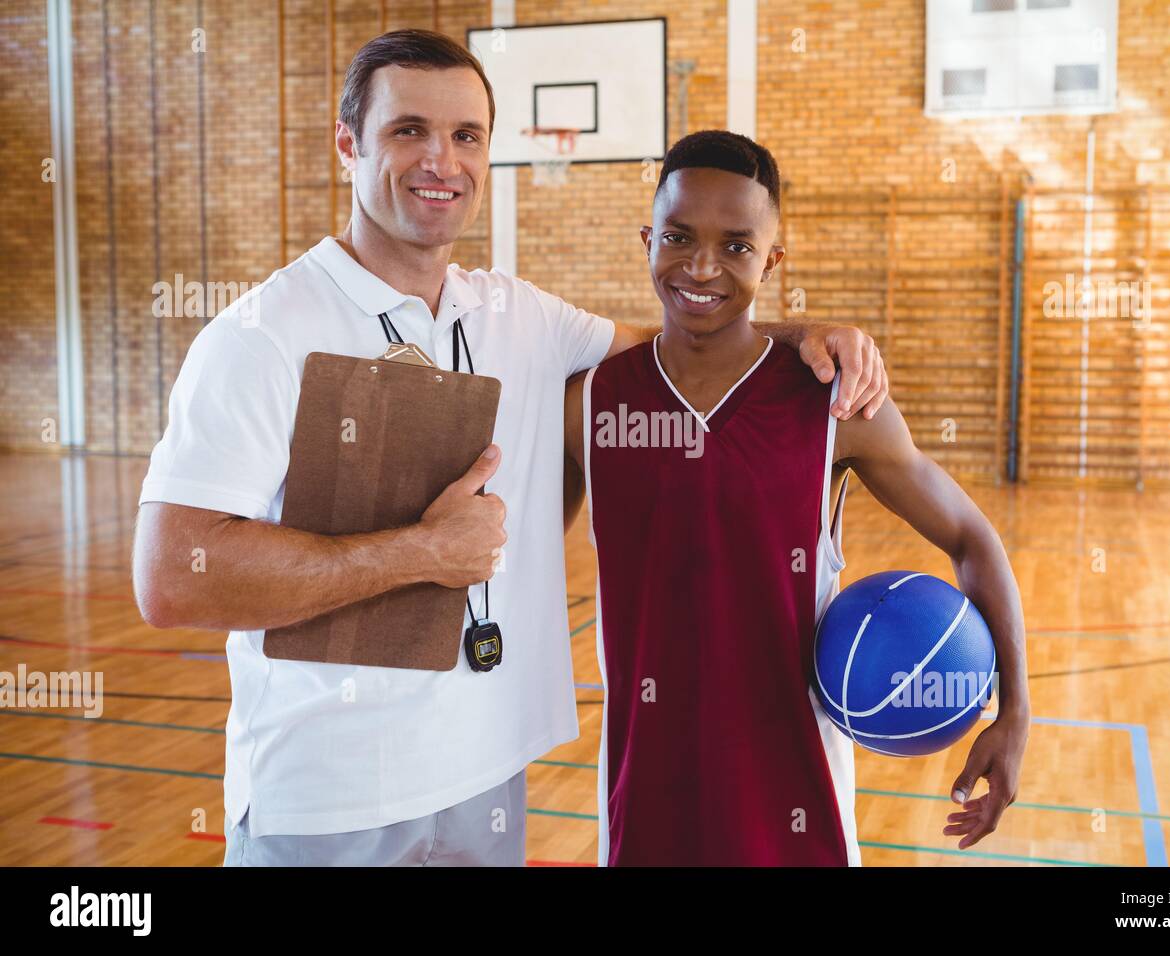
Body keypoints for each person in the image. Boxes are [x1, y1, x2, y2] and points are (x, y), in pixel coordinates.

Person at [130, 31, 890, 867]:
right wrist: (419, 553)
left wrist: (815, 334)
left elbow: (687, 339)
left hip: (487, 785)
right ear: (346, 145)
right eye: (408, 130)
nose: (441, 161)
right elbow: (172, 575)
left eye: (467, 137)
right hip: (326, 801)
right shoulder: (260, 336)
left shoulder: (521, 316)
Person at [562, 130, 1029, 866]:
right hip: (642, 789)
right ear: (647, 238)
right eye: (679, 237)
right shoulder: (589, 404)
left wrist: (1015, 714)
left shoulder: (835, 406)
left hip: (795, 796)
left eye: (737, 246)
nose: (702, 266)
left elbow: (974, 538)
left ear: (772, 260)